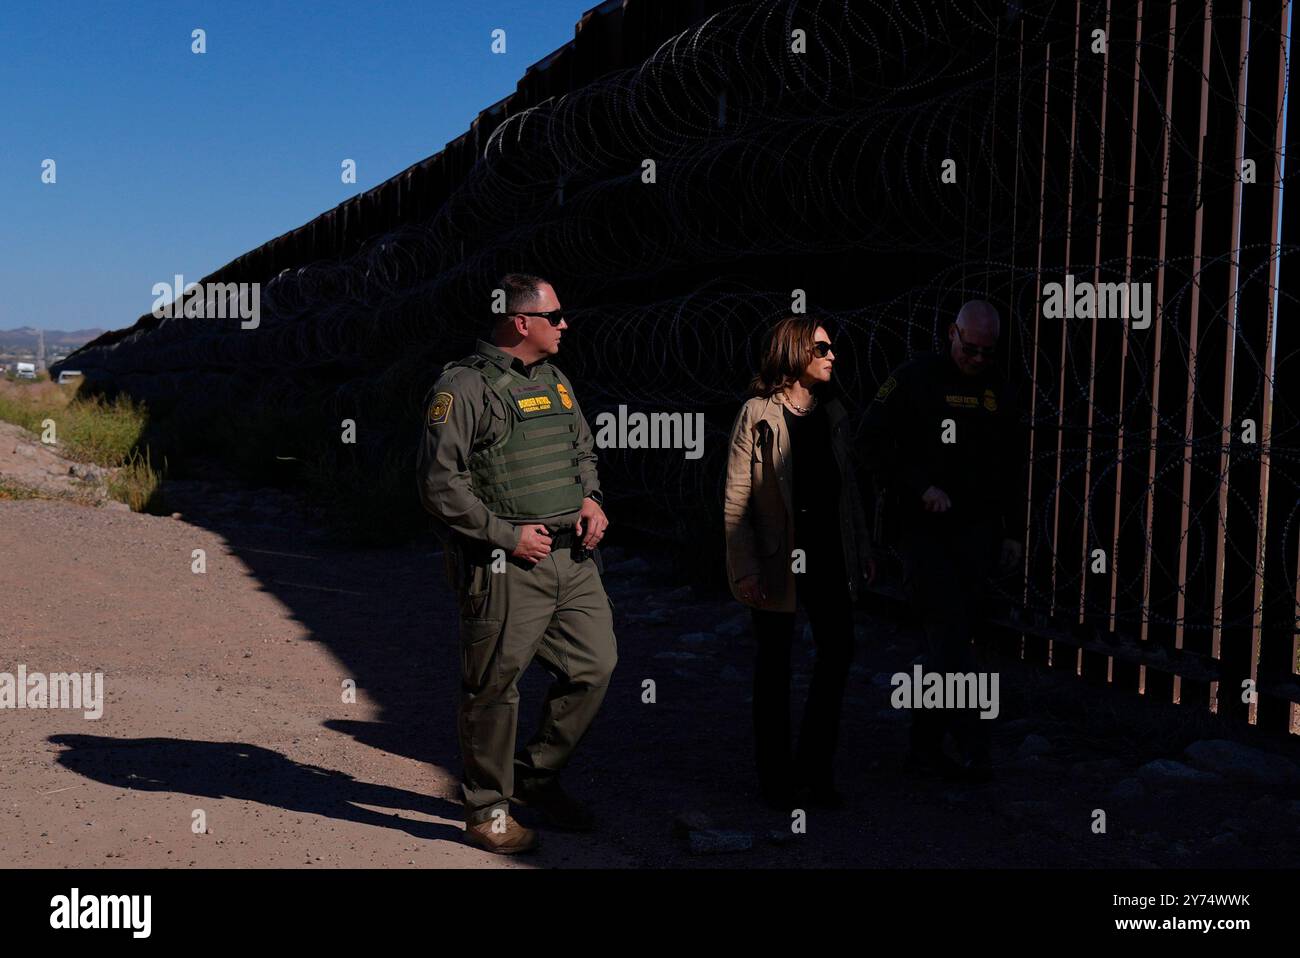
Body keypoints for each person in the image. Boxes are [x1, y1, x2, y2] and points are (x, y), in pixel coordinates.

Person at [417, 273, 616, 854]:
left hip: (572, 559)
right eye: (554, 316)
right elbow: (438, 484)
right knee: (494, 688)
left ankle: (536, 776)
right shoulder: (463, 388)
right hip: (506, 568)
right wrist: (505, 536)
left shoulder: (555, 380)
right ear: (520, 322)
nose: (564, 325)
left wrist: (592, 499)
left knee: (594, 666)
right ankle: (486, 810)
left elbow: (582, 450)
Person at [861, 300, 1023, 781]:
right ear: (952, 333)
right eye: (969, 348)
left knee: (948, 642)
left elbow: (1009, 465)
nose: (976, 359)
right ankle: (975, 744)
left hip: (974, 532)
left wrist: (1012, 531)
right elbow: (869, 441)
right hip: (921, 530)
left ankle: (924, 748)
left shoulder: (996, 388)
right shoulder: (916, 377)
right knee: (949, 634)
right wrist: (918, 486)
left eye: (986, 352)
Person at [723, 316, 876, 810]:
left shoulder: (833, 413)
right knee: (775, 665)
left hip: (829, 553)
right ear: (794, 352)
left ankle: (816, 769)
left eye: (832, 348)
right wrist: (744, 565)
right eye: (822, 348)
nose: (833, 356)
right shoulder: (758, 414)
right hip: (776, 557)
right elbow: (737, 495)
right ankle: (776, 780)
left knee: (838, 652)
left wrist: (861, 550)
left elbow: (848, 491)